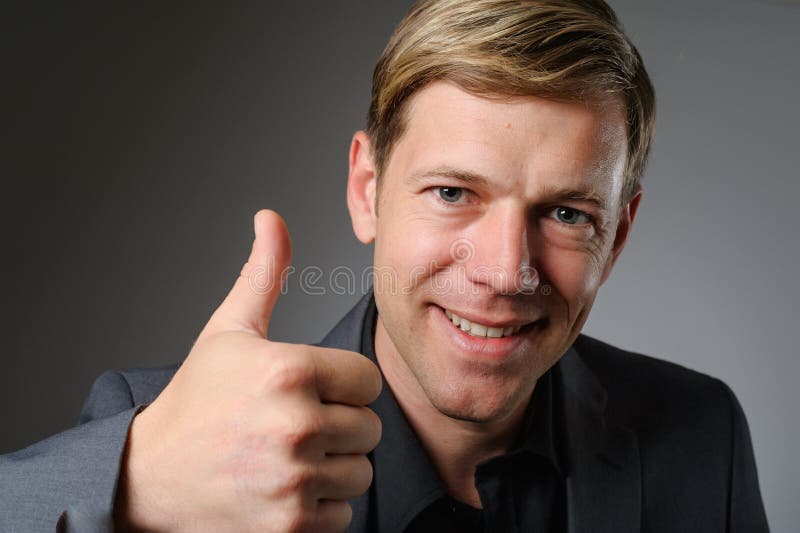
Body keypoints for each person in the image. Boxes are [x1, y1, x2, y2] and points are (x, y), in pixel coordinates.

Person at [1, 0, 769, 531]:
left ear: (619, 233)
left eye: (567, 213)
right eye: (452, 191)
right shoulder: (157, 434)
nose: (507, 271)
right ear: (367, 190)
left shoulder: (705, 437)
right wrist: (130, 486)